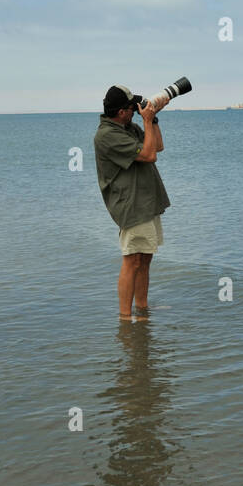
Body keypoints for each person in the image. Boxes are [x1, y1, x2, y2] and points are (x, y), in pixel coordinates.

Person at [94, 84, 171, 321]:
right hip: (131, 204)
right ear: (120, 112)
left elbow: (157, 146)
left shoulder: (128, 127)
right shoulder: (107, 135)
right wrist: (147, 122)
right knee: (132, 259)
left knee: (145, 257)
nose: (135, 110)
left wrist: (153, 120)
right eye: (131, 107)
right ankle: (125, 318)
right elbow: (149, 155)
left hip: (145, 201)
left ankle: (143, 308)